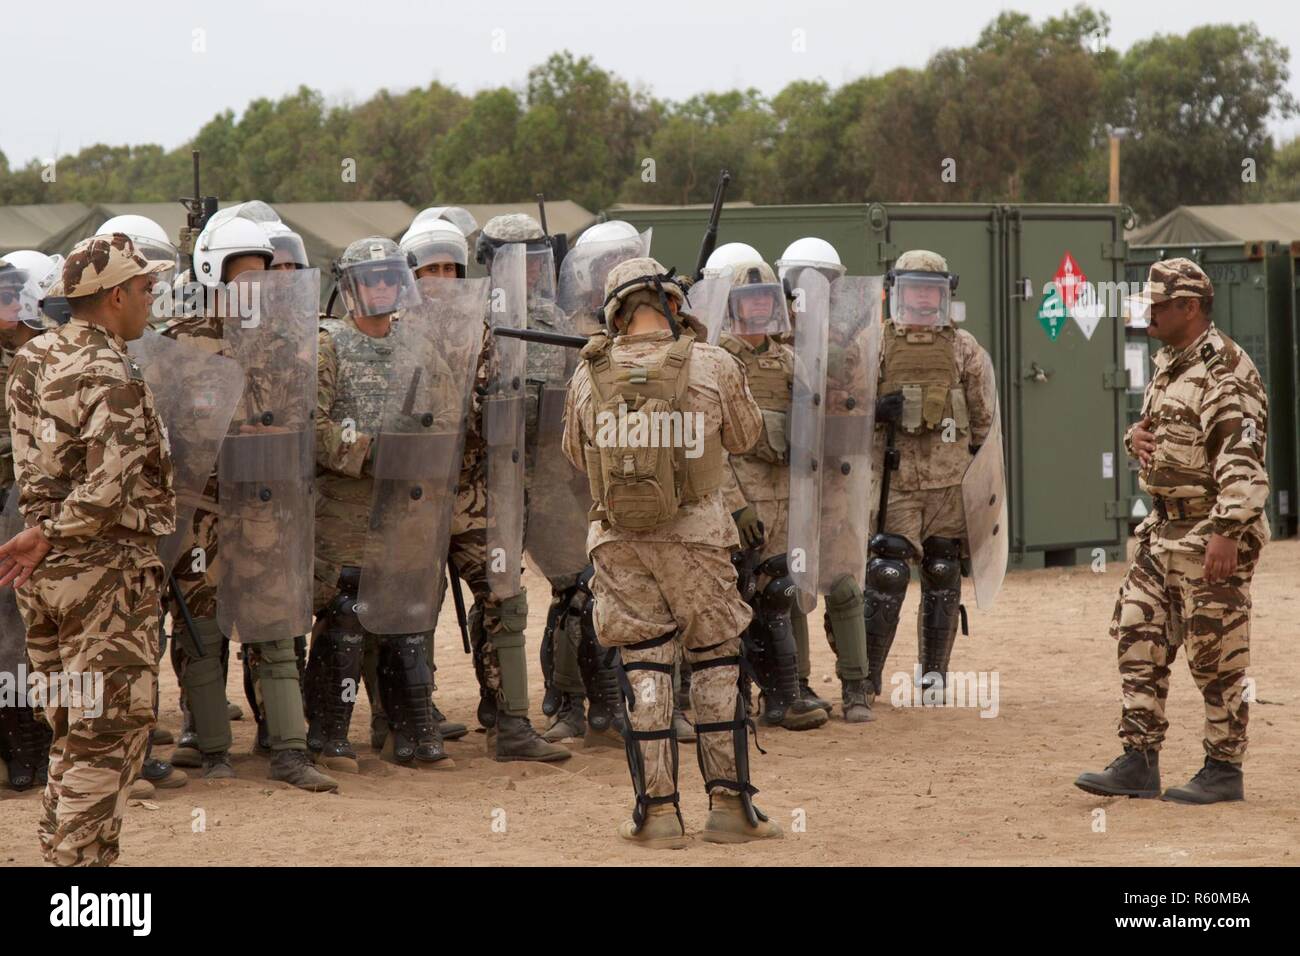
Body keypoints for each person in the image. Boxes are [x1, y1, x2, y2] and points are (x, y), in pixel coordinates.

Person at [562, 255, 781, 847]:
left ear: (614, 312)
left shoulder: (588, 374)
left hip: (619, 541)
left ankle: (657, 814)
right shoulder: (713, 363)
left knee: (646, 668)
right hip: (699, 539)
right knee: (713, 662)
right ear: (675, 305)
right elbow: (745, 437)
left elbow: (578, 457)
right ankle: (731, 809)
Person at [0, 234, 173, 865]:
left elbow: (28, 462)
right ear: (116, 294)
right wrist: (53, 531)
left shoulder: (34, 357)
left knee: (72, 735)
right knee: (107, 737)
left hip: (46, 579)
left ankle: (69, 863)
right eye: (147, 289)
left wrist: (42, 531)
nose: (151, 301)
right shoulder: (111, 370)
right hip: (105, 576)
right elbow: (109, 484)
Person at [1075, 258, 1268, 804]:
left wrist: (1227, 532)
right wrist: (1140, 441)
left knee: (1216, 652)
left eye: (1159, 304)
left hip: (1211, 531)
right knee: (1139, 636)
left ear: (1191, 307)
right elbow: (1168, 440)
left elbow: (1243, 461)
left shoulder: (1225, 368)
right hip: (1162, 530)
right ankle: (1139, 761)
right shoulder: (1171, 364)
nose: (1148, 312)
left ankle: (1223, 769)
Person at [163, 213, 336, 791]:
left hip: (264, 501)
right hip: (201, 511)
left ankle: (290, 751)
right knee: (201, 631)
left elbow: (299, 416)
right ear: (212, 270)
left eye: (265, 273)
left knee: (275, 626)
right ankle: (213, 751)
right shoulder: (182, 339)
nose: (259, 284)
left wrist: (275, 436)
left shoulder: (285, 341)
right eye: (246, 272)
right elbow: (163, 428)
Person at [306, 236, 465, 771]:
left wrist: (420, 457)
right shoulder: (327, 345)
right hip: (347, 509)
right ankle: (329, 735)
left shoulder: (420, 348)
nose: (380, 287)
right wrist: (370, 453)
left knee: (409, 615)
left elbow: (446, 421)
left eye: (388, 278)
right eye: (369, 278)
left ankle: (412, 730)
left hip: (406, 509)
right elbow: (312, 426)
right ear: (349, 288)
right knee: (346, 615)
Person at [864, 250, 995, 709]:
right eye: (914, 289)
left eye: (931, 290)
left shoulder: (964, 348)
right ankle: (866, 679)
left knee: (942, 571)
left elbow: (983, 422)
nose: (922, 299)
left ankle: (934, 677)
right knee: (886, 573)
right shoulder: (874, 344)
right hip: (894, 483)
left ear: (944, 295)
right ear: (897, 292)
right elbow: (841, 410)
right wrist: (874, 412)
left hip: (948, 484)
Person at [710, 246, 828, 731]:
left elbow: (815, 428)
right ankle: (733, 696)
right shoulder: (717, 359)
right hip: (740, 498)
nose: (759, 308)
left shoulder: (787, 360)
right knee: (737, 595)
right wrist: (736, 508)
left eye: (765, 299)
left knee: (778, 592)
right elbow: (710, 445)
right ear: (733, 304)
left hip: (785, 497)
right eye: (749, 300)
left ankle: (784, 696)